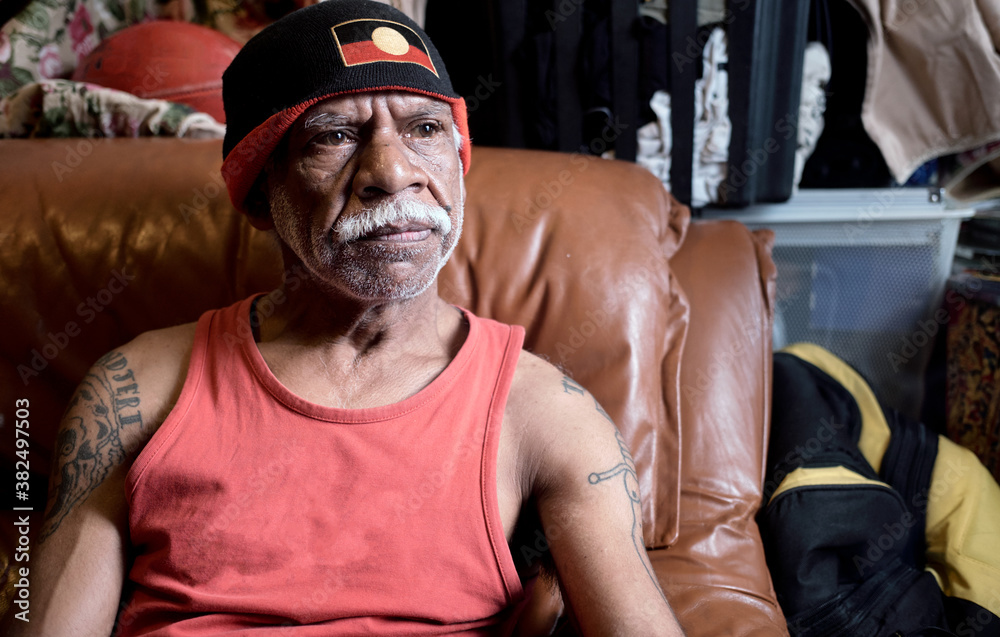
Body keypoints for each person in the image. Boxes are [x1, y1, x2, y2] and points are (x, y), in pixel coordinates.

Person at [19, 1, 685, 635]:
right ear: (259, 192)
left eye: (425, 129)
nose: (393, 171)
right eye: (334, 135)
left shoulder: (546, 414)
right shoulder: (134, 390)